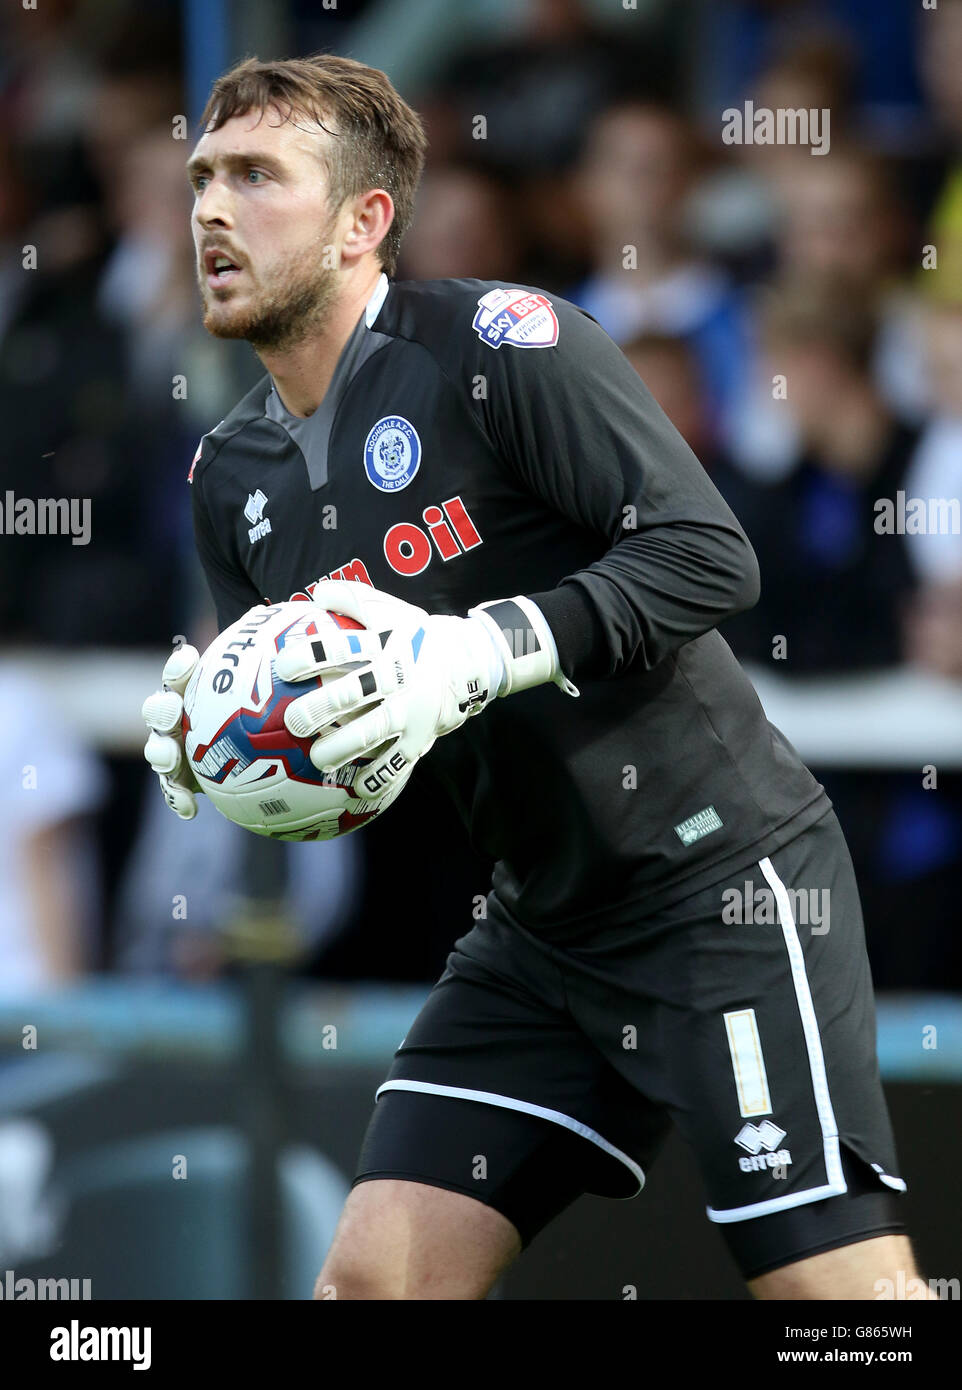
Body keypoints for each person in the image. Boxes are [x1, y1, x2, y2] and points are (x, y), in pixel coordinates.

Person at [142, 54, 934, 1301]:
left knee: (836, 1302)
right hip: (537, 929)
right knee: (375, 1285)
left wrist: (488, 644)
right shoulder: (229, 477)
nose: (209, 210)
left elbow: (706, 556)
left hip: (715, 885)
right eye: (200, 177)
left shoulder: (504, 345)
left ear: (366, 221)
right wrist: (229, 748)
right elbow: (359, 761)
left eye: (254, 175)